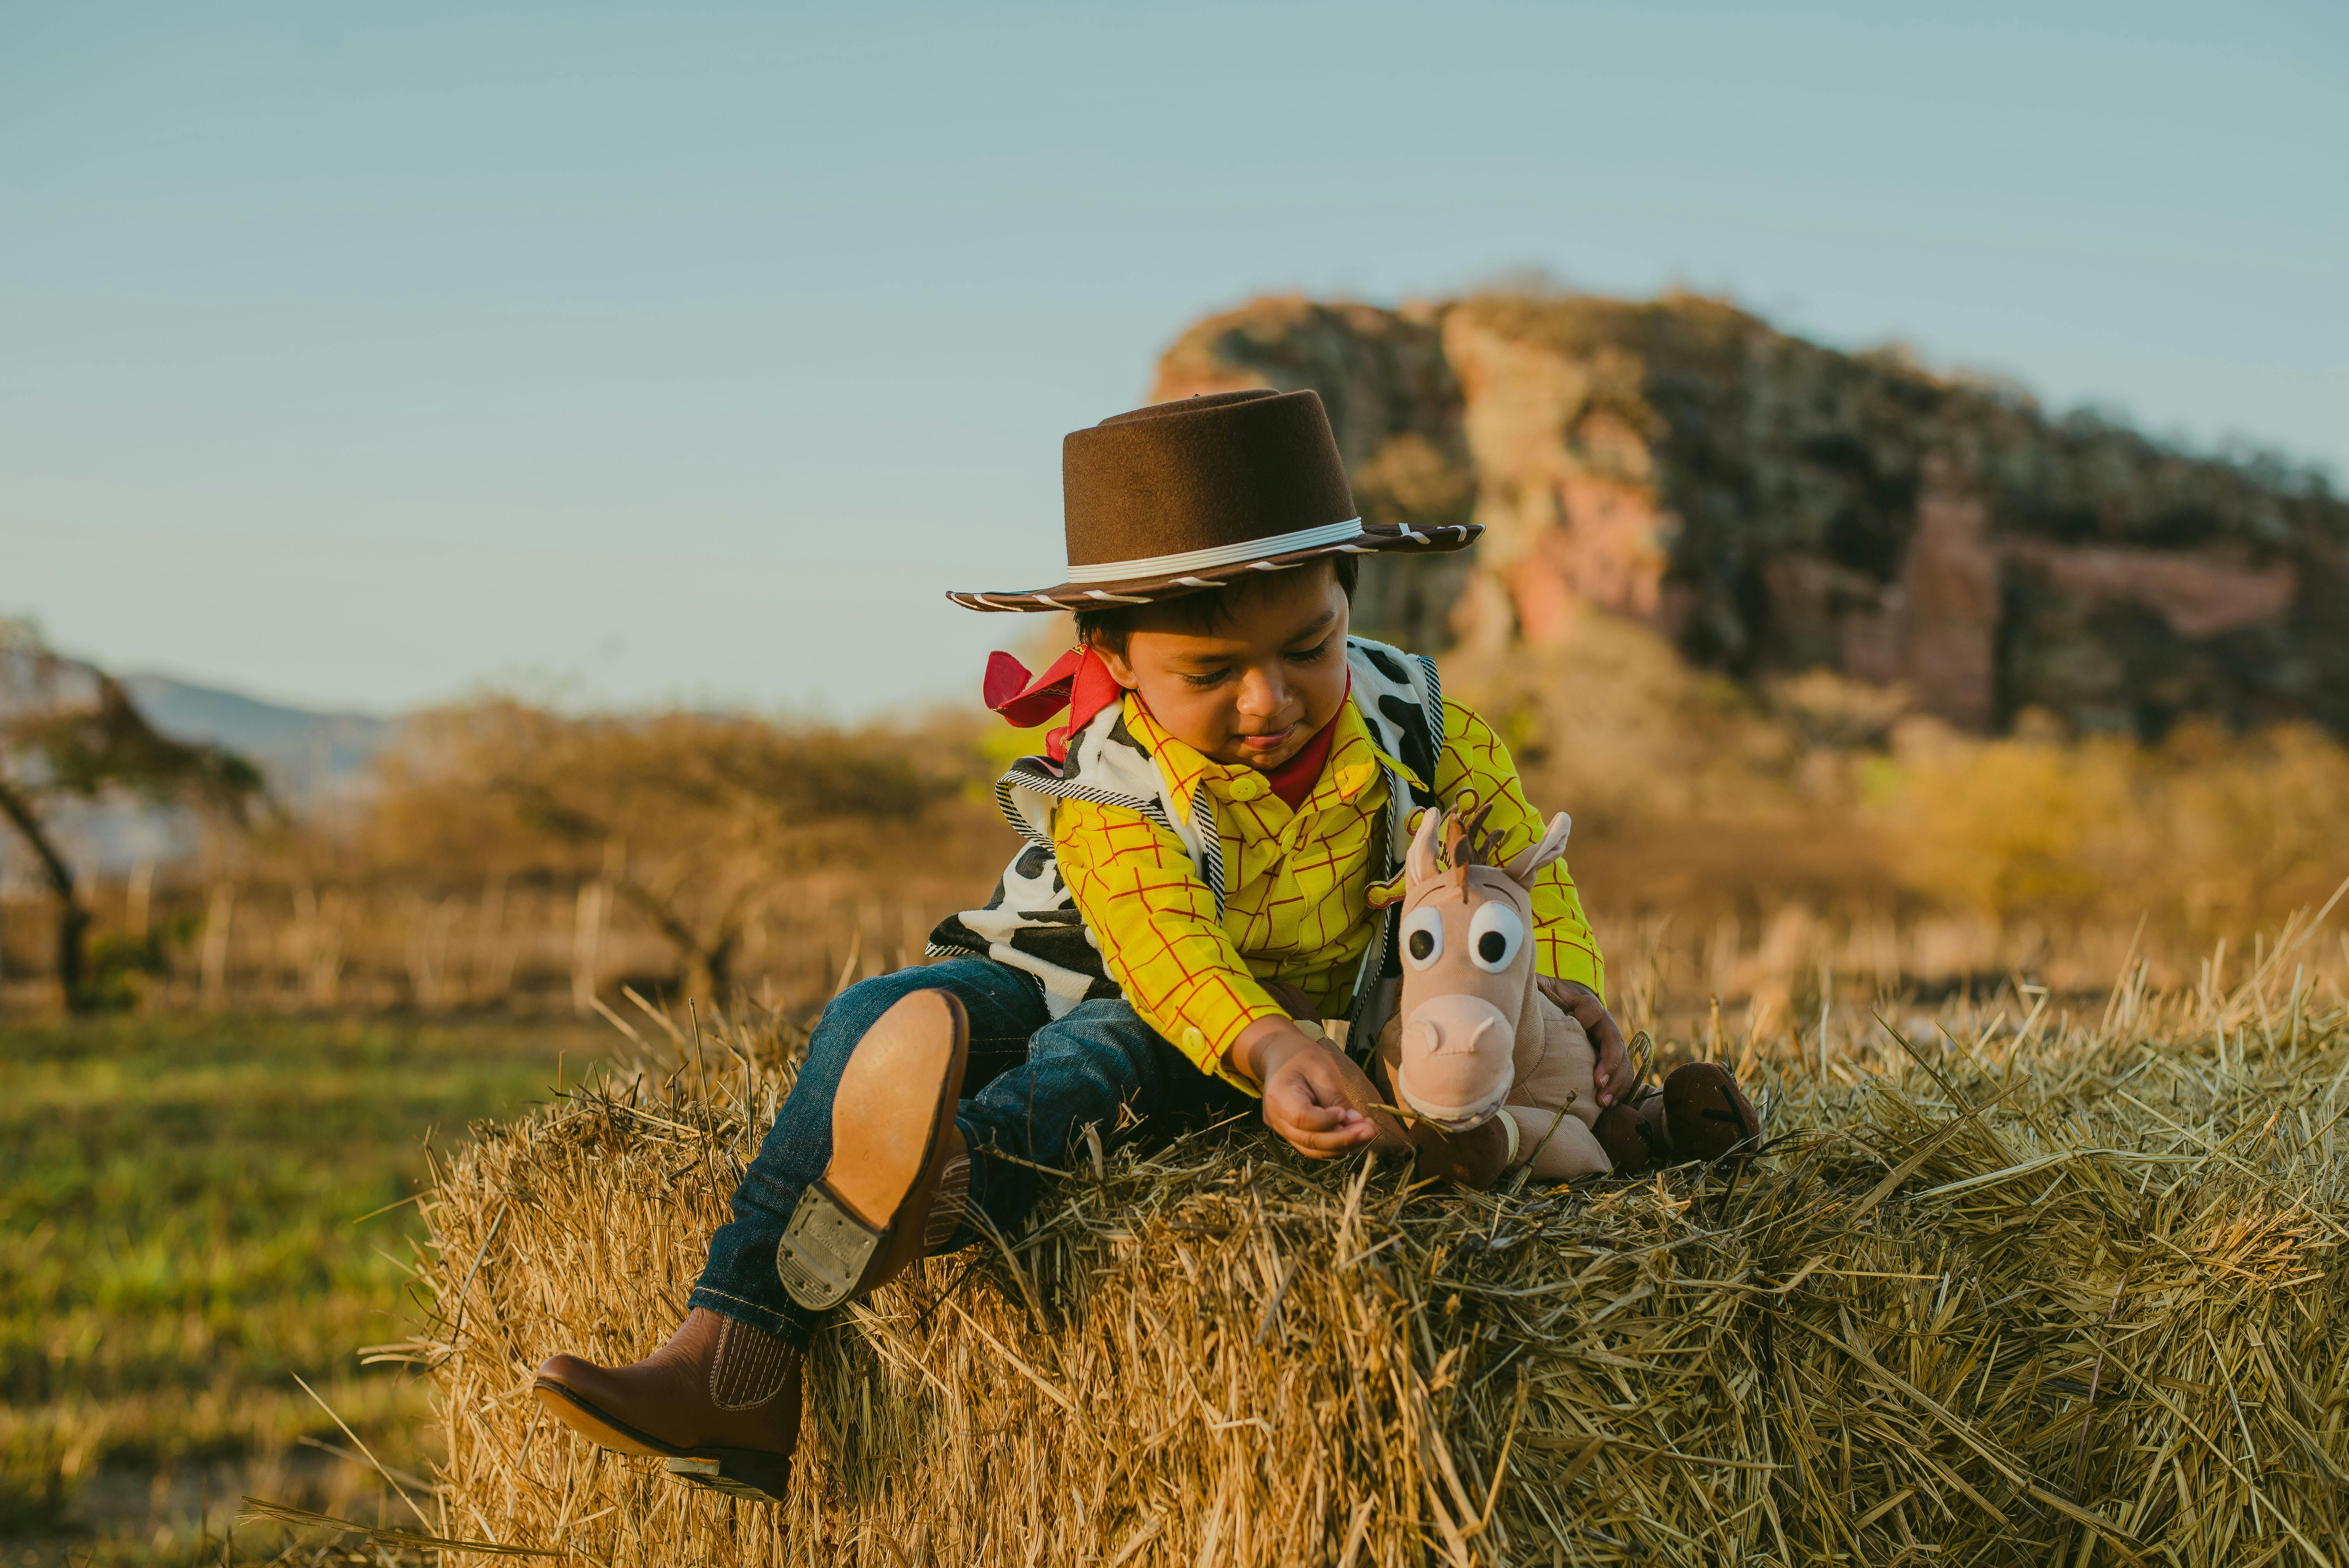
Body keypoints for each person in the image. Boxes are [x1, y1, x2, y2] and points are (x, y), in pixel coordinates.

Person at [529, 388, 1756, 1504]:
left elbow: (1525, 886)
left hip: (1206, 1028)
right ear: (1110, 660)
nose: (1270, 701)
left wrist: (1571, 998)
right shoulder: (1111, 779)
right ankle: (728, 1356)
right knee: (879, 1016)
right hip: (1117, 974)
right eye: (1212, 673)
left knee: (1098, 1063)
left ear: (1348, 604)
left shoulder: (1428, 731)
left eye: (1306, 650)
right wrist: (1264, 1040)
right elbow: (1159, 943)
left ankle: (951, 1184)